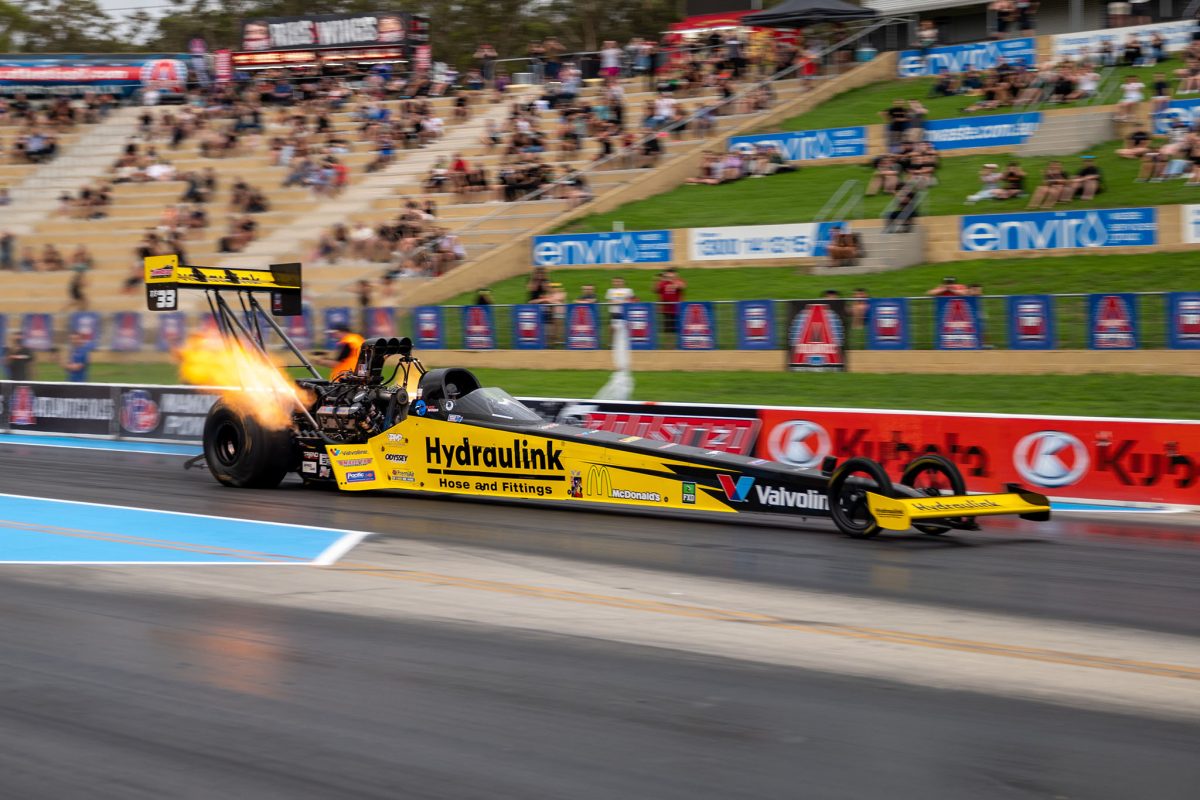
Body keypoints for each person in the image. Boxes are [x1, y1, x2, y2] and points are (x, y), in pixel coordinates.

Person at [653, 268, 686, 333]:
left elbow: (682, 286)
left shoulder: (679, 280)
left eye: (670, 273)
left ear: (675, 274)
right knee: (668, 330)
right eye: (667, 273)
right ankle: (668, 339)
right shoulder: (663, 282)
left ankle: (677, 339)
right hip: (666, 309)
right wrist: (657, 281)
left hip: (677, 309)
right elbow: (655, 290)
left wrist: (673, 280)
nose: (668, 275)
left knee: (678, 330)